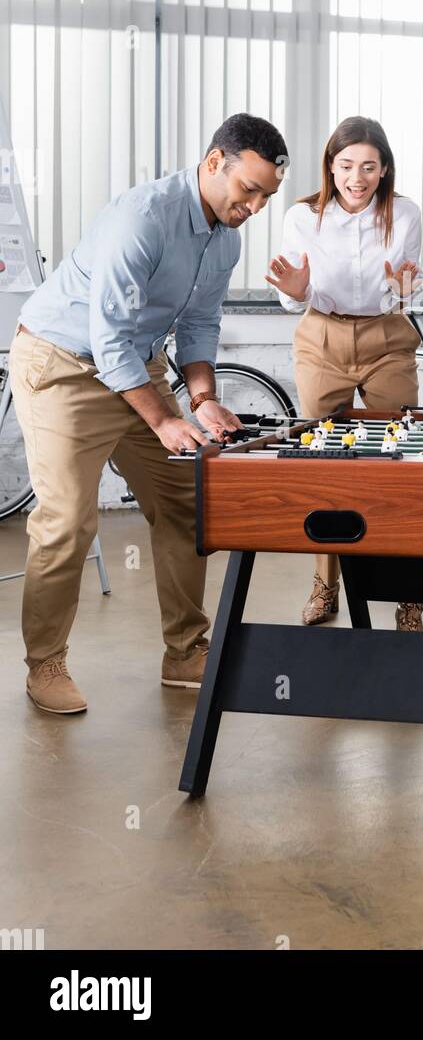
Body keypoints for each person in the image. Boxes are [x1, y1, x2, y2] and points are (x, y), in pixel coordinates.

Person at [10, 114, 288, 714]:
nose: (256, 206)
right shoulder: (143, 218)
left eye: (267, 196)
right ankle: (45, 664)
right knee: (67, 522)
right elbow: (106, 338)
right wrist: (164, 420)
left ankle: (186, 652)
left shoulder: (227, 238)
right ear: (215, 162)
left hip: (135, 366)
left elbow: (198, 324)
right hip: (63, 364)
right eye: (249, 190)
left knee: (187, 500)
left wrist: (204, 398)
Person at [266, 117, 423, 630]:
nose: (356, 177)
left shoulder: (404, 214)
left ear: (384, 170)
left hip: (385, 341)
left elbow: (404, 293)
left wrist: (402, 291)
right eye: (346, 165)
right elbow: (295, 296)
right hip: (322, 340)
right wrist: (294, 292)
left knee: (397, 465)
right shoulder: (302, 217)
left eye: (369, 167)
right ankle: (325, 585)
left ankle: (408, 594)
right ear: (330, 165)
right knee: (324, 465)